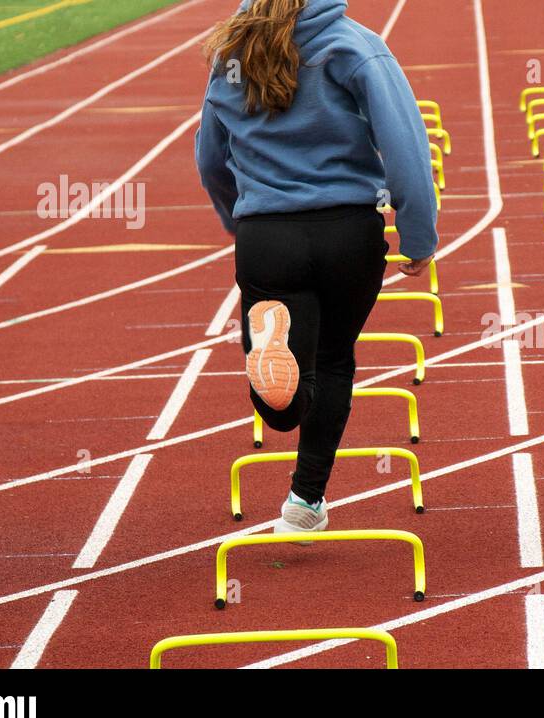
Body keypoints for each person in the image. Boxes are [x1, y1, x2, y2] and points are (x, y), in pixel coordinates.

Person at [196, 0, 438, 536]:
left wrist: (239, 217)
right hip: (347, 232)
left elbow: (210, 158)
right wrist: (418, 234)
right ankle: (304, 501)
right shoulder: (355, 46)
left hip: (267, 235)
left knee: (286, 398)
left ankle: (276, 385)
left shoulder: (234, 53)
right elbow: (404, 145)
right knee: (332, 360)